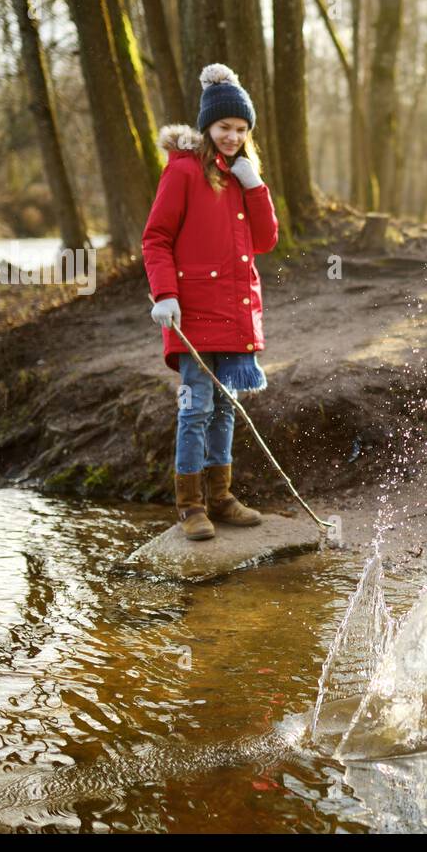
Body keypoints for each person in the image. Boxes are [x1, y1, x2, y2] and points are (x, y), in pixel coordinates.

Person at [141, 63, 280, 540]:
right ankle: (190, 506)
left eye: (242, 129)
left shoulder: (243, 175)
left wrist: (255, 186)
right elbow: (155, 238)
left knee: (226, 406)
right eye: (225, 127)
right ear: (207, 126)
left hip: (236, 311)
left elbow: (265, 240)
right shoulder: (182, 172)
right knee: (194, 407)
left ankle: (221, 497)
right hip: (191, 312)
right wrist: (165, 294)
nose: (233, 136)